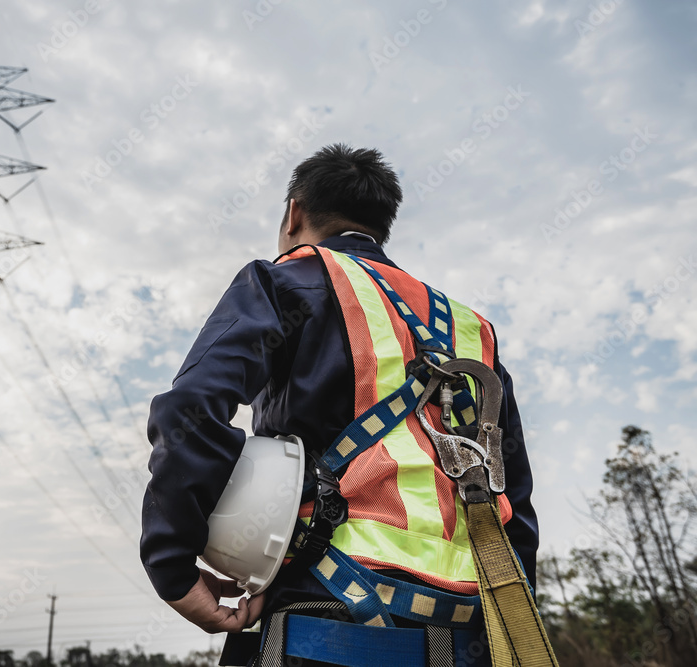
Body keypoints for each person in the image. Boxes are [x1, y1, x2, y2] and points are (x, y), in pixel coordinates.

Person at [140, 144, 538, 664]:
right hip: (466, 631)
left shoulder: (285, 280)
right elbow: (513, 496)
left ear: (293, 213)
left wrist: (172, 564)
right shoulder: (471, 329)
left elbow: (189, 410)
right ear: (381, 226)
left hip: (323, 615)